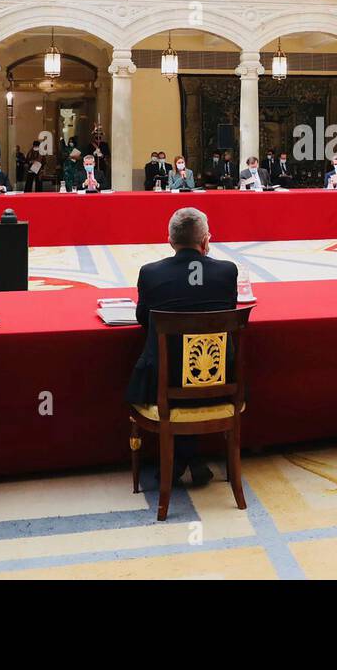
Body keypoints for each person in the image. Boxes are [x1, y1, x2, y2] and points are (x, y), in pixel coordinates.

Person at [126, 207, 238, 486]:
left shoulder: (150, 273)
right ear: (205, 241)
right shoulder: (227, 272)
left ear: (170, 241)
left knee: (171, 368)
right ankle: (191, 458)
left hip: (161, 385)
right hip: (217, 378)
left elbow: (143, 320)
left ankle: (179, 460)